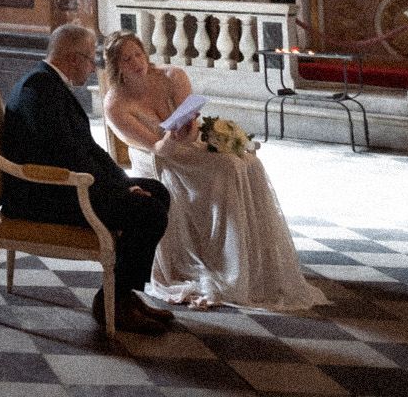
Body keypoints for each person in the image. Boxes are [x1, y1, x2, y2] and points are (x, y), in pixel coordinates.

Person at [103, 30, 325, 312]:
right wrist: (173, 138)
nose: (136, 62)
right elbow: (159, 149)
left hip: (189, 145)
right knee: (228, 168)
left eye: (138, 54)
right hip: (158, 158)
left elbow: (192, 126)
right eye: (126, 59)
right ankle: (226, 265)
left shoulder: (172, 76)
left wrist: (188, 128)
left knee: (248, 162)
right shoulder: (116, 104)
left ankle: (253, 261)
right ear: (116, 66)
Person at [1, 24, 173, 336]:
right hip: (44, 196)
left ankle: (121, 294)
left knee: (157, 192)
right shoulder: (39, 90)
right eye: (89, 59)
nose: (93, 68)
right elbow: (66, 155)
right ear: (71, 58)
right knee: (148, 212)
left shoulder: (48, 83)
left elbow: (87, 149)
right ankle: (112, 301)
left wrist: (123, 184)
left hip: (64, 185)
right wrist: (121, 190)